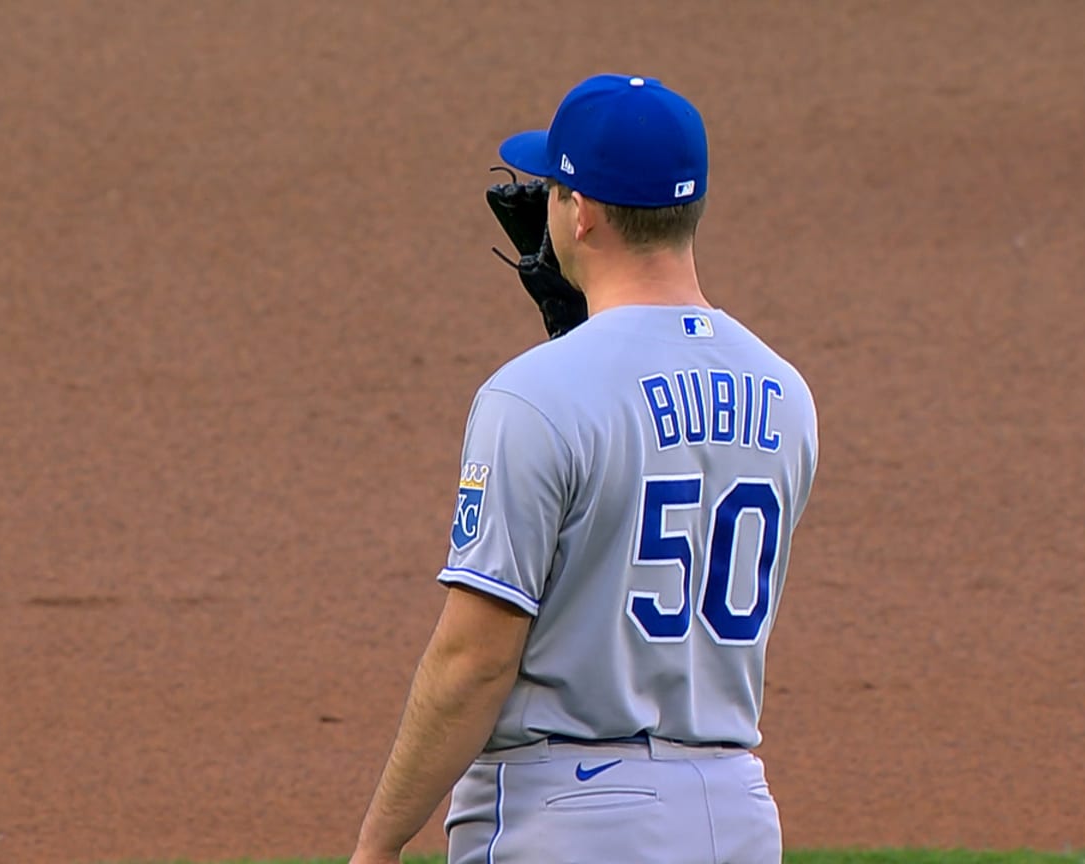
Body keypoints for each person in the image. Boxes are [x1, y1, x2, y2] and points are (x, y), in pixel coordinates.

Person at [348, 73, 819, 864]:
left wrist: (377, 844)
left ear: (583, 212)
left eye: (556, 189)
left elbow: (476, 656)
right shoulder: (785, 393)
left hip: (570, 815)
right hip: (734, 813)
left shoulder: (535, 395)